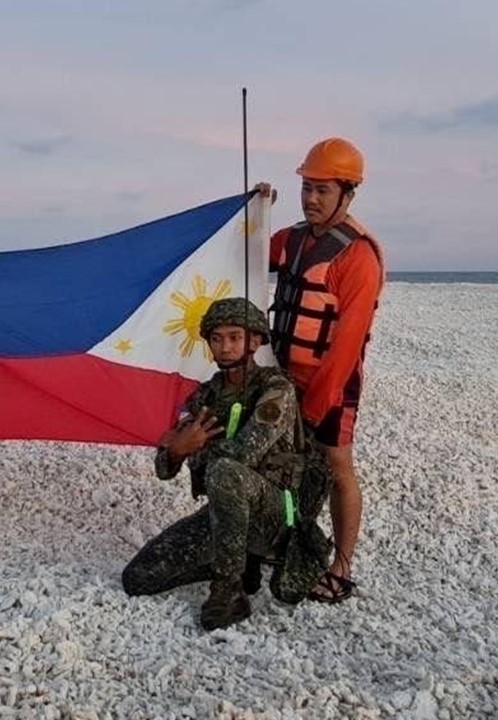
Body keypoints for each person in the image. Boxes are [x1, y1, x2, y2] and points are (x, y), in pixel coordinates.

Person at [121, 298, 332, 630]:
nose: (225, 347)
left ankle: (229, 592)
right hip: (225, 516)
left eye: (235, 337)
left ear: (254, 340)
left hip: (275, 516)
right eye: (216, 339)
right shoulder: (205, 396)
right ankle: (236, 560)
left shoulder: (276, 389)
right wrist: (177, 451)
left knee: (224, 471)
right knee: (139, 578)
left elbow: (245, 454)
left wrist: (189, 445)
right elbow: (164, 468)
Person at [259, 136, 384, 604]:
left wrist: (314, 405)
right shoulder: (291, 240)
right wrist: (255, 211)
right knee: (280, 464)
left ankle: (342, 566)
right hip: (282, 375)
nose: (311, 198)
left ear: (348, 193)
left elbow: (346, 345)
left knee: (336, 466)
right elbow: (249, 253)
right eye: (307, 187)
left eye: (323, 190)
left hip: (331, 383)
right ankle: (280, 540)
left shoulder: (358, 257)